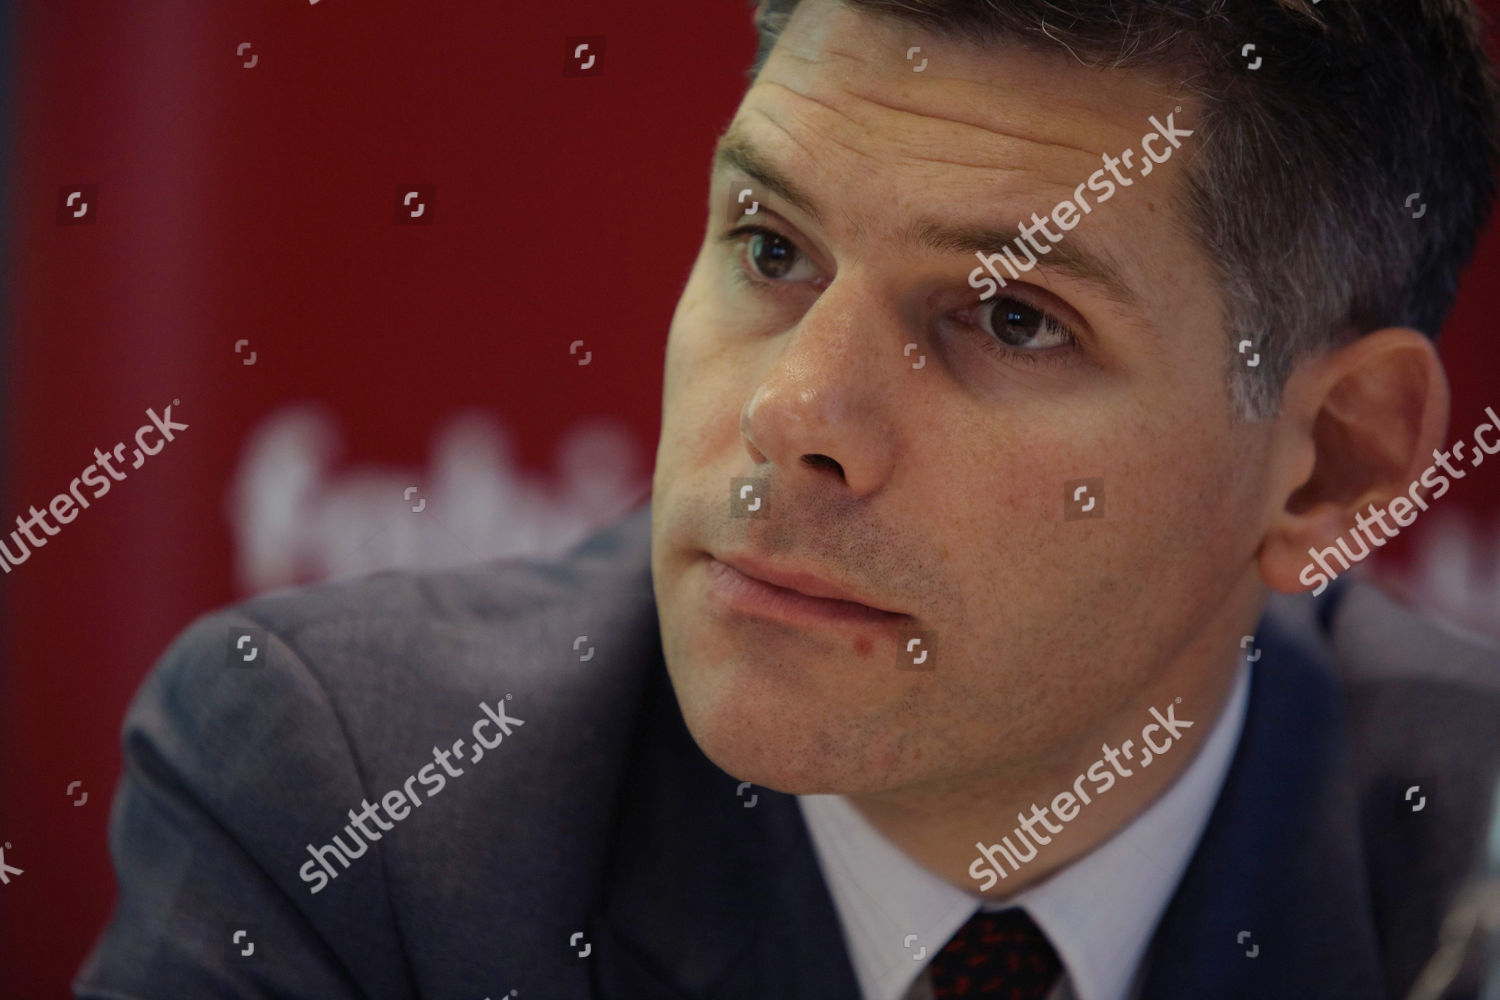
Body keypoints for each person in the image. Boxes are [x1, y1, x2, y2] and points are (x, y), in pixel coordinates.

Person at [76, 1, 1500, 998]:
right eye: (771, 245)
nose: (787, 413)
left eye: (1009, 322)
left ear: (1337, 468)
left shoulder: (1470, 881)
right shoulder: (351, 806)